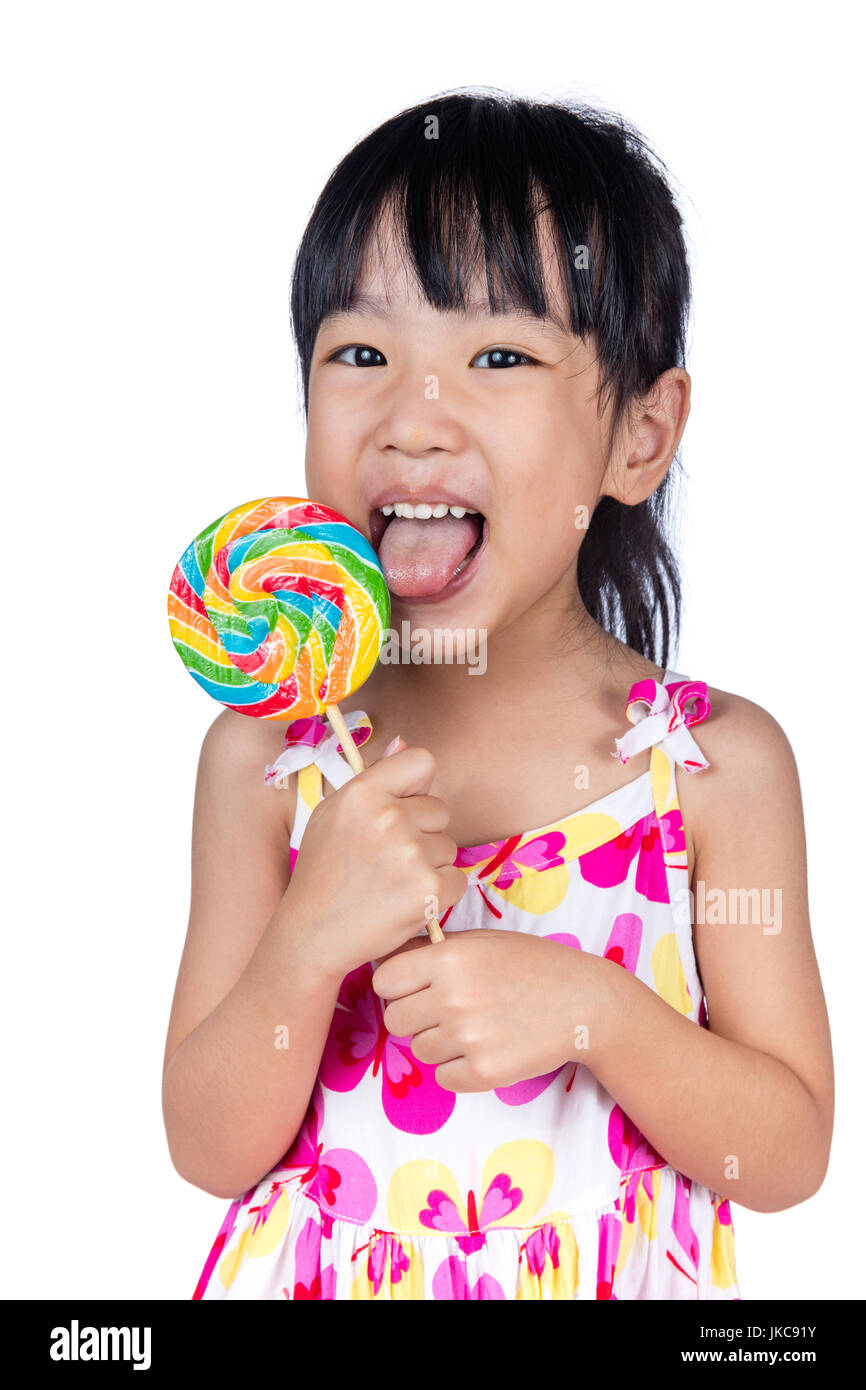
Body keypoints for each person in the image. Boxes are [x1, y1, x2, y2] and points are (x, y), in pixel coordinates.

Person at [162, 88, 834, 1299]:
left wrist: (601, 1015)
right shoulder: (268, 759)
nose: (415, 419)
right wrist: (306, 946)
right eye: (360, 354)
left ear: (638, 433)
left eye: (500, 355)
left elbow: (782, 1154)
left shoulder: (709, 767)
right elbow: (208, 1149)